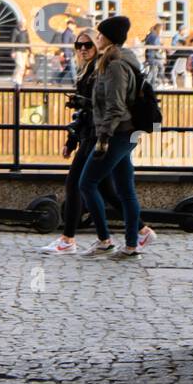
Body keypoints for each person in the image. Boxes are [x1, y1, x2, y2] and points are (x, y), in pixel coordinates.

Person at [38, 30, 155, 255]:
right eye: (79, 45)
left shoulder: (103, 69)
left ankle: (72, 239)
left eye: (88, 44)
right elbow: (87, 110)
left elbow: (107, 107)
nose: (83, 49)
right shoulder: (89, 69)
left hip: (99, 136)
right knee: (109, 189)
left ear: (99, 45)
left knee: (78, 184)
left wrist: (101, 137)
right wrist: (72, 138)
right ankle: (138, 231)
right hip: (93, 134)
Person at [78, 15, 145, 258]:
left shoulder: (115, 65)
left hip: (117, 134)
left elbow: (115, 106)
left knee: (86, 183)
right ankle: (131, 244)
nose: (97, 38)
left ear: (109, 38)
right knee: (126, 190)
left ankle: (105, 240)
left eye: (100, 34)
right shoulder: (116, 60)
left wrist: (103, 138)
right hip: (125, 133)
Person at [13, 17, 31, 87]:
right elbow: (13, 41)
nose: (23, 24)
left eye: (24, 23)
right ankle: (18, 80)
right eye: (22, 23)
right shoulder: (16, 31)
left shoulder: (26, 31)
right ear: (19, 23)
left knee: (22, 67)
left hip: (24, 51)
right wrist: (13, 51)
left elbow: (28, 41)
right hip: (17, 50)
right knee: (19, 65)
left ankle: (15, 78)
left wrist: (30, 51)